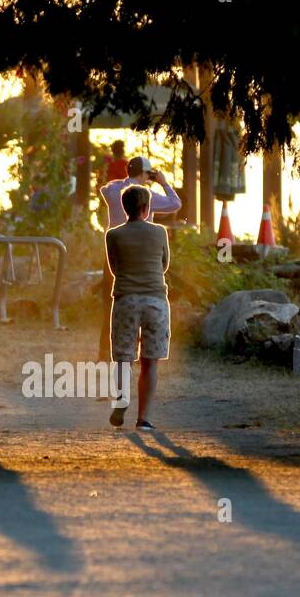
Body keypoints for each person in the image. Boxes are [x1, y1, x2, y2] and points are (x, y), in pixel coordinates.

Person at [98, 157, 181, 360]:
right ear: (145, 174)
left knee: (112, 306)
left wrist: (124, 182)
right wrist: (162, 182)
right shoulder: (147, 197)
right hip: (143, 258)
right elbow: (175, 204)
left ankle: (107, 352)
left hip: (117, 252)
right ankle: (144, 353)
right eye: (149, 174)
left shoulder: (114, 190)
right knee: (146, 303)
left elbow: (103, 189)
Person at [105, 184, 171, 431]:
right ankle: (143, 418)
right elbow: (164, 265)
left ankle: (121, 402)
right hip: (155, 300)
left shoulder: (113, 235)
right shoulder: (160, 232)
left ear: (125, 208)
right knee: (149, 362)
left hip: (125, 299)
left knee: (123, 359)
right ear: (145, 208)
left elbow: (115, 268)